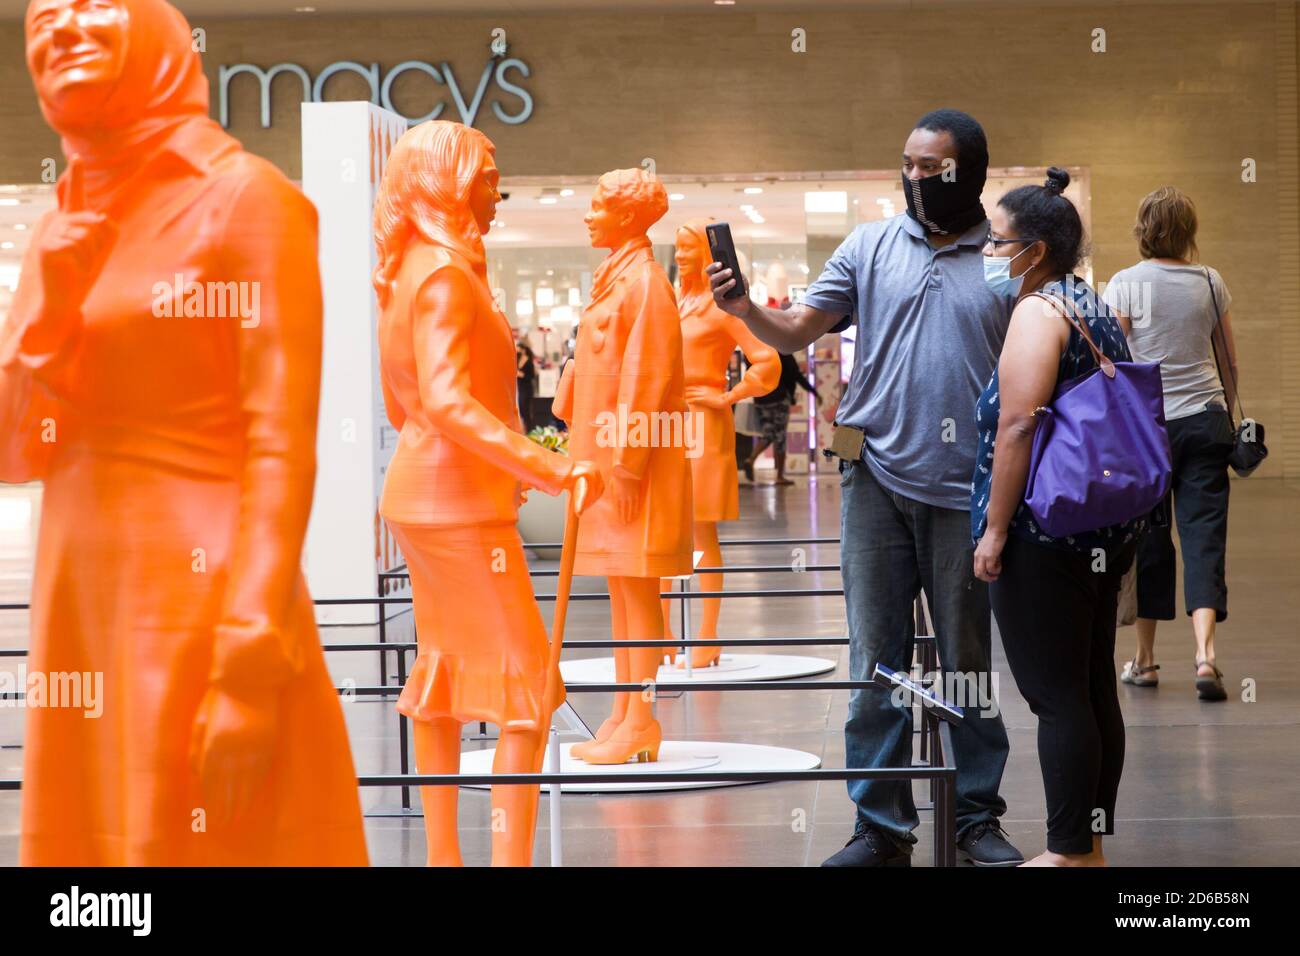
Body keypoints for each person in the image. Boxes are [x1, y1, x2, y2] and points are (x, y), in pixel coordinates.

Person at [2, 0, 367, 864]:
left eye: (94, 5)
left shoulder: (246, 199)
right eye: (41, 15)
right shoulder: (59, 226)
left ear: (159, 30)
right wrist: (46, 305)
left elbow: (281, 441)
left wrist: (248, 655)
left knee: (201, 836)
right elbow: (14, 451)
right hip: (78, 597)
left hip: (199, 598)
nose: (61, 26)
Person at [709, 109, 1020, 867]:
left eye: (932, 168)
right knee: (874, 661)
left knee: (968, 664)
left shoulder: (1007, 262)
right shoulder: (870, 245)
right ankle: (880, 828)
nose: (915, 178)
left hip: (966, 493)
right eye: (907, 164)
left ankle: (976, 816)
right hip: (875, 479)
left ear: (968, 175)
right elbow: (798, 332)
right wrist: (747, 309)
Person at [372, 121, 602, 865]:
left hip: (421, 493)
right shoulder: (442, 273)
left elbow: (400, 407)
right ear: (446, 181)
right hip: (460, 506)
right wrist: (550, 466)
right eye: (484, 177)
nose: (495, 194)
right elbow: (444, 401)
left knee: (439, 677)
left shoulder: (407, 269)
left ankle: (444, 857)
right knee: (528, 690)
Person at [972, 167, 1144, 867]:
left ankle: (1069, 853)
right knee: (1093, 683)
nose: (988, 252)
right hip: (1100, 528)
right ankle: (1089, 845)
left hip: (1045, 532)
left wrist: (993, 530)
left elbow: (1017, 426)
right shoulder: (1089, 304)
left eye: (996, 241)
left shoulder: (1038, 313)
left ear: (1033, 250)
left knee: (1056, 696)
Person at [1103, 187, 1237, 701]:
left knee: (1150, 541)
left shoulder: (1126, 284)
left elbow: (1111, 364)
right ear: (1189, 231)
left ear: (1143, 228)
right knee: (1204, 536)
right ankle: (1206, 657)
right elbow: (1228, 361)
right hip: (1206, 422)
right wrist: (1225, 411)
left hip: (1148, 429)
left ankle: (1146, 661)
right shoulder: (1210, 280)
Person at [660, 218, 780, 668]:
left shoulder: (719, 309)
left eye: (689, 248)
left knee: (699, 530)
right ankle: (664, 634)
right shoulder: (673, 304)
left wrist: (727, 395)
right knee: (665, 530)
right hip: (665, 425)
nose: (683, 255)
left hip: (704, 424)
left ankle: (707, 635)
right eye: (678, 248)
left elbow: (767, 361)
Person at [745, 351, 818, 485]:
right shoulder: (782, 351)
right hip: (779, 398)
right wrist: (814, 392)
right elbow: (796, 375)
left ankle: (751, 459)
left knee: (769, 433)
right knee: (780, 436)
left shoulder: (758, 353)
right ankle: (779, 476)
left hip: (761, 399)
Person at [516, 339, 538, 433]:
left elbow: (532, 376)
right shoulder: (518, 358)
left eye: (519, 349)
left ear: (523, 349)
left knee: (526, 410)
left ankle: (529, 430)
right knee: (521, 409)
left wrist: (522, 375)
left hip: (527, 387)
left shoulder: (529, 361)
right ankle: (524, 429)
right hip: (520, 387)